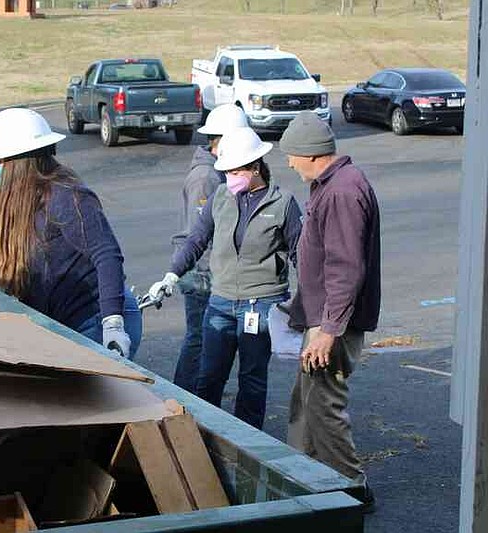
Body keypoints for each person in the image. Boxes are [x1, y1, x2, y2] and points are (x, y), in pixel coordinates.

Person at [0, 108, 142, 358]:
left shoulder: (67, 196)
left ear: (17, 164)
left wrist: (113, 326)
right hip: (70, 320)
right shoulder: (26, 204)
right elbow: (29, 271)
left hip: (99, 319)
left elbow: (107, 255)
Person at [149, 127, 302, 429]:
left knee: (252, 380)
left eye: (235, 171)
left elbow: (301, 254)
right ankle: (206, 438)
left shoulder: (283, 204)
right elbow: (196, 239)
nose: (230, 177)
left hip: (261, 304)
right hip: (220, 302)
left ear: (255, 167)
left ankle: (249, 446)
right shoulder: (221, 196)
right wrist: (171, 274)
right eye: (227, 171)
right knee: (209, 376)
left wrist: (305, 304)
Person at [279, 110, 380, 510]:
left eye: (291, 155)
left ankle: (353, 489)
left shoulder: (340, 192)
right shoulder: (334, 184)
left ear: (311, 154)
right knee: (305, 403)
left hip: (331, 325)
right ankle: (303, 478)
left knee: (324, 406)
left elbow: (345, 266)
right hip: (324, 319)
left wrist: (328, 329)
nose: (288, 163)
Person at [170, 104, 247, 392]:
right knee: (199, 340)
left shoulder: (218, 171)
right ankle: (185, 398)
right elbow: (199, 235)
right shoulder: (205, 177)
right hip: (201, 274)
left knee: (207, 341)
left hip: (209, 272)